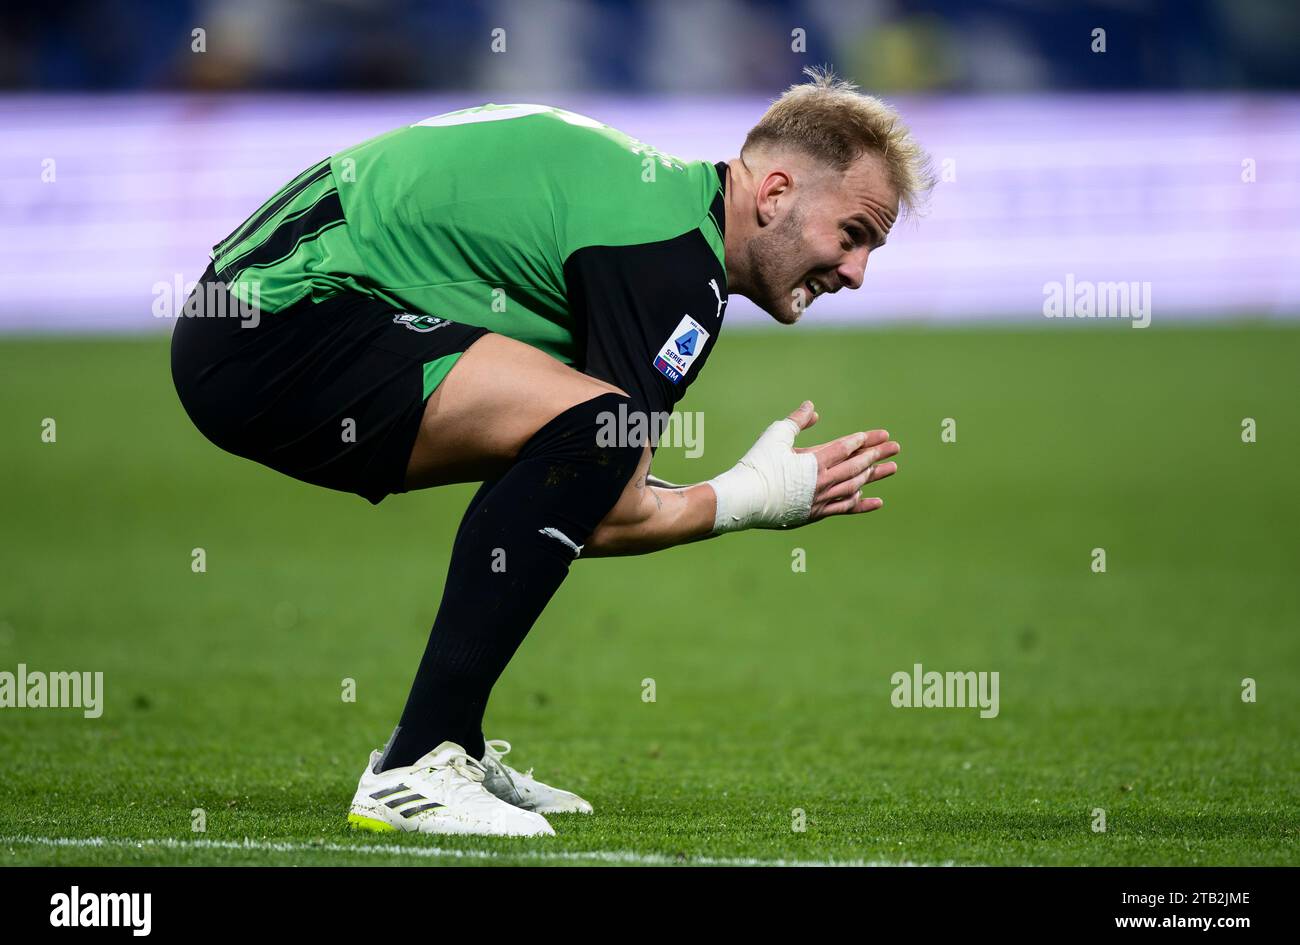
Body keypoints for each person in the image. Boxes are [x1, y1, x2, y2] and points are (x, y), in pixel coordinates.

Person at [170, 68, 933, 837]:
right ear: (773, 194)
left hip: (259, 316)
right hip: (275, 332)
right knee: (592, 426)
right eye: (853, 234)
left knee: (574, 437)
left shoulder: (664, 215)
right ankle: (416, 764)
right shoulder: (670, 261)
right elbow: (608, 509)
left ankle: (450, 741)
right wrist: (754, 496)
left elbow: (574, 487)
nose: (857, 274)